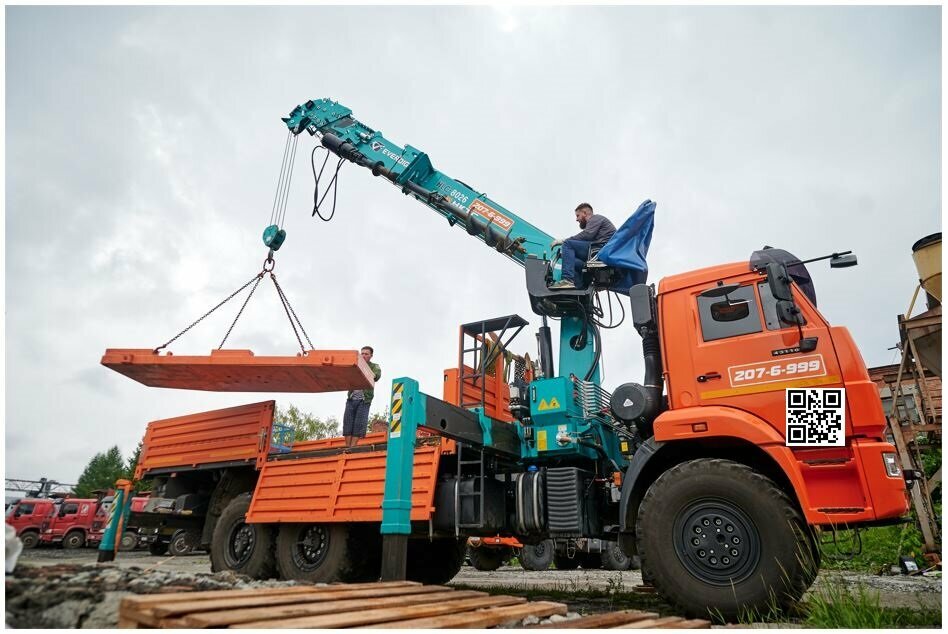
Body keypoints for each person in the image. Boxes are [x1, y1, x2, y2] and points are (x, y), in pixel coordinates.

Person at [549, 203, 617, 289]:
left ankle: (567, 280)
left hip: (599, 251)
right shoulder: (595, 225)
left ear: (584, 213)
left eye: (578, 215)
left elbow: (587, 235)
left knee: (568, 244)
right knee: (569, 259)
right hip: (596, 253)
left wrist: (564, 241)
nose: (577, 219)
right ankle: (579, 288)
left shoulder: (595, 218)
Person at [343, 346, 382, 448]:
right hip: (351, 399)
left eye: (366, 354)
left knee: (358, 424)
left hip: (364, 400)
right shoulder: (355, 363)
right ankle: (347, 448)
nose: (363, 355)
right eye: (362, 353)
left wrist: (364, 367)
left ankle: (352, 448)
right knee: (348, 423)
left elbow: (376, 376)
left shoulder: (374, 366)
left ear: (371, 356)